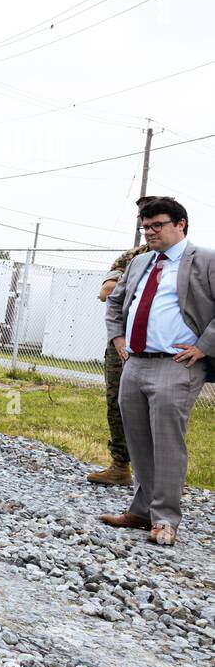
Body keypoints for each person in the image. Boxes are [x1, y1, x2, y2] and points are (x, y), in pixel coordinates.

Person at [101, 197, 215, 547]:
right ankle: (141, 511)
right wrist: (118, 338)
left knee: (166, 442)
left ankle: (165, 519)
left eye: (157, 225)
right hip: (135, 361)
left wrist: (204, 346)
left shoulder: (206, 260)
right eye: (145, 227)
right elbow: (115, 302)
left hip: (177, 364)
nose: (149, 232)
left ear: (180, 224)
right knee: (137, 440)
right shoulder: (140, 262)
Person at [88, 196, 156, 486]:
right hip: (124, 342)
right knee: (117, 403)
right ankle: (120, 465)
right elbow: (106, 292)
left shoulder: (187, 258)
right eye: (144, 221)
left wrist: (129, 288)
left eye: (154, 221)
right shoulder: (132, 257)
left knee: (160, 408)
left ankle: (158, 474)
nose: (148, 228)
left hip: (163, 345)